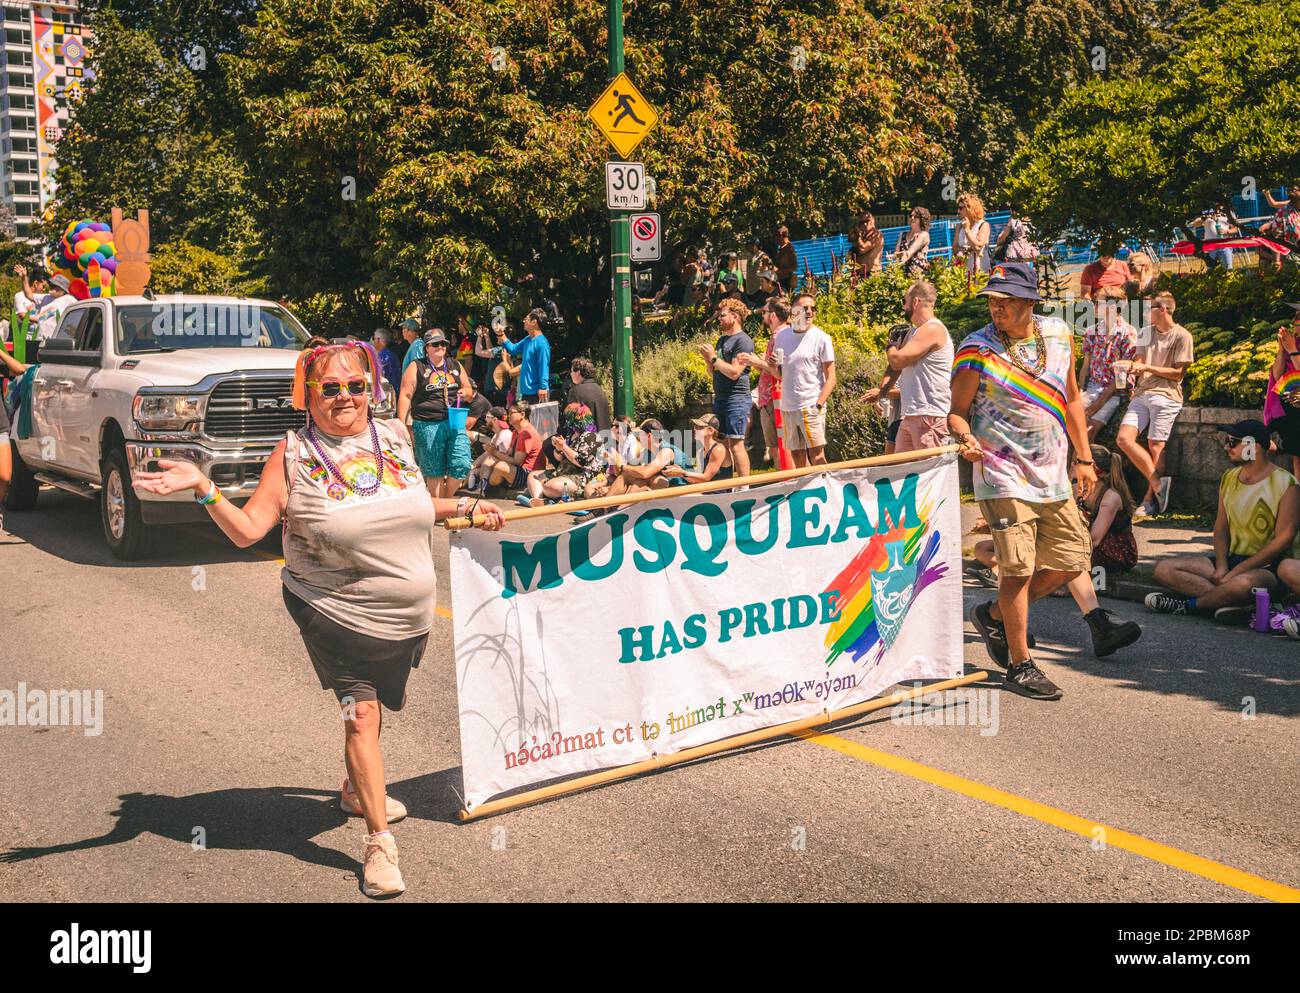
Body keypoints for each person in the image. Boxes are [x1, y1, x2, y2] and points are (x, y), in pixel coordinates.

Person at [132, 339, 504, 899]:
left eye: (356, 386)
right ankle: (379, 843)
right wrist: (203, 487)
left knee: (373, 715)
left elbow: (413, 506)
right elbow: (249, 530)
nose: (345, 398)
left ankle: (357, 791)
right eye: (330, 388)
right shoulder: (294, 454)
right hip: (331, 609)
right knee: (361, 716)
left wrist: (470, 507)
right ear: (307, 395)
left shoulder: (395, 437)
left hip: (407, 616)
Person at [949, 262, 1097, 701]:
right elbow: (956, 410)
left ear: (1030, 302)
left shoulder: (1058, 334)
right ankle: (1020, 664)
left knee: (1073, 559)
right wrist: (965, 437)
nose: (997, 308)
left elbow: (1071, 398)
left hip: (1051, 474)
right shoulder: (976, 348)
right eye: (993, 300)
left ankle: (995, 615)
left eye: (1006, 300)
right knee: (1017, 567)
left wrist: (1084, 457)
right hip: (1002, 474)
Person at [971, 444, 1142, 658]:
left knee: (1070, 555)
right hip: (1015, 482)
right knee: (1011, 559)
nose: (1073, 466)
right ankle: (1011, 628)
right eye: (1075, 462)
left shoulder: (1107, 495)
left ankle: (1000, 617)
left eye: (1078, 462)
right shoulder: (1072, 486)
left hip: (1102, 546)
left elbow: (1095, 538)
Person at [1146, 419, 1299, 624]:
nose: (1227, 447)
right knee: (1163, 570)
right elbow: (1220, 528)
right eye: (1227, 441)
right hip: (1231, 559)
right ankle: (1233, 603)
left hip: (1267, 567)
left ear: (1254, 447)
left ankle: (1189, 606)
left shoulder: (1287, 483)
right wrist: (1221, 566)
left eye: (1233, 442)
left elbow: (1283, 540)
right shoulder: (1229, 477)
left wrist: (1234, 573)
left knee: (1241, 583)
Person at [1116, 290, 1193, 516]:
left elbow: (1179, 374)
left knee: (1155, 446)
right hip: (1142, 393)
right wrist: (1130, 365)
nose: (1145, 313)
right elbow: (1139, 360)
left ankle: (1149, 500)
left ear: (1164, 310)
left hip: (1167, 395)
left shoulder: (1182, 336)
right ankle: (1160, 485)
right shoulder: (1145, 333)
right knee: (1123, 439)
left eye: (1149, 308)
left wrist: (1147, 368)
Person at [741, 292, 836, 468]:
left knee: (817, 456)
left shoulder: (821, 338)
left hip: (811, 405)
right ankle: (803, 493)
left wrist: (819, 405)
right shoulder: (783, 337)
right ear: (793, 311)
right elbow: (780, 375)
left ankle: (825, 490)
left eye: (812, 309)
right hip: (788, 407)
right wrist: (771, 366)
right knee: (796, 456)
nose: (809, 312)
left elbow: (831, 378)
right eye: (804, 308)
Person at [398, 329, 473, 500]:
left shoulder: (454, 365)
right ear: (427, 348)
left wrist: (465, 393)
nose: (440, 347)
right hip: (427, 424)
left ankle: (444, 502)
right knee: (434, 470)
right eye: (435, 344)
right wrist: (401, 423)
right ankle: (439, 509)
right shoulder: (417, 366)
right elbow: (405, 394)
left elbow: (468, 388)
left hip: (454, 421)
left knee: (462, 463)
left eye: (443, 343)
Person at [886, 280, 952, 453]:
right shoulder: (915, 332)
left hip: (929, 415)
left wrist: (890, 345)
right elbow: (896, 367)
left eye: (904, 301)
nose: (903, 307)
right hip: (911, 414)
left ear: (915, 302)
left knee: (929, 476)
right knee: (902, 475)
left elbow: (897, 360)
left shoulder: (932, 329)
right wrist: (881, 392)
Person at [700, 297, 755, 481]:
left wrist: (714, 359)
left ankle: (743, 486)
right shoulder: (722, 340)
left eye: (722, 315)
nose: (719, 319)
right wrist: (709, 360)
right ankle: (726, 484)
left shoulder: (743, 341)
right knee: (721, 442)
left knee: (736, 443)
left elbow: (734, 373)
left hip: (736, 398)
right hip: (721, 397)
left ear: (735, 316)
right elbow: (713, 372)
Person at [1079, 287, 1139, 440]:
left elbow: (1121, 378)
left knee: (1088, 432)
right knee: (1072, 426)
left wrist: (1097, 404)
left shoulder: (1128, 334)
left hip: (1115, 392)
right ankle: (1075, 463)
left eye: (1097, 302)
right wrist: (1080, 392)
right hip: (1093, 387)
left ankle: (1085, 463)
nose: (1093, 306)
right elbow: (1085, 367)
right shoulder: (1092, 331)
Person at [519, 402, 605, 506]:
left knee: (550, 486)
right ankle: (539, 500)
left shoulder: (590, 436)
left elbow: (581, 462)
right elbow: (559, 459)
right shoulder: (572, 435)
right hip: (564, 472)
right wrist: (558, 449)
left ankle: (547, 495)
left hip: (581, 476)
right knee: (533, 476)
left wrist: (564, 447)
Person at [753, 297, 790, 467]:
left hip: (773, 397)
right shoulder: (787, 333)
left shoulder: (778, 335)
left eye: (765, 312)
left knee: (776, 447)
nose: (763, 316)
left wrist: (756, 362)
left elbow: (778, 371)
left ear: (773, 316)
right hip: (775, 395)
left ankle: (784, 484)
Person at [1264, 304, 1300, 478]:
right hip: (1294, 411)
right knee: (1297, 457)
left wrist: (1292, 350)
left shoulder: (1294, 345)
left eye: (1299, 317)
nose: (1295, 321)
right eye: (1295, 317)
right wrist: (1282, 348)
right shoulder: (1294, 342)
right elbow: (1277, 376)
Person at [486, 401, 543, 490]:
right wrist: (494, 453)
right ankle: (484, 483)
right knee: (489, 461)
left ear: (522, 415)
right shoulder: (516, 432)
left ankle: (488, 486)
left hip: (531, 474)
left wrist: (494, 452)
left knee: (500, 466)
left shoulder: (526, 433)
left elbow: (517, 462)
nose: (508, 416)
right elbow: (509, 454)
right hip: (520, 470)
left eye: (511, 413)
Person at [662, 414, 734, 484]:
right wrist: (680, 473)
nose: (694, 429)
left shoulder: (718, 449)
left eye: (699, 427)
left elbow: (706, 477)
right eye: (695, 426)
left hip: (721, 494)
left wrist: (683, 472)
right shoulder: (700, 451)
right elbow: (696, 480)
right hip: (707, 492)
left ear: (711, 431)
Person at [500, 308, 551, 403]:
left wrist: (543, 387)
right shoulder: (528, 339)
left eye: (526, 319)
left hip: (537, 392)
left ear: (534, 322)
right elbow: (513, 349)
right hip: (525, 392)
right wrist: (501, 334)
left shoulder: (542, 343)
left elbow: (544, 366)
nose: (523, 321)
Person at [465, 406, 512, 495]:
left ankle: (483, 487)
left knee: (489, 460)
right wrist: (472, 466)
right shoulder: (497, 435)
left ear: (494, 420)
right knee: (472, 471)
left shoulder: (505, 435)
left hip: (501, 471)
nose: (485, 419)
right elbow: (487, 453)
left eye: (487, 417)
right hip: (493, 468)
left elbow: (505, 458)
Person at [22, 270, 74, 342]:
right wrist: (24, 278)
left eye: (54, 285)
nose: (50, 287)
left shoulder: (70, 300)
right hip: (39, 340)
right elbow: (29, 295)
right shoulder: (47, 297)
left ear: (62, 289)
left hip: (55, 342)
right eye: (51, 284)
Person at [565, 356, 611, 433]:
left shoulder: (575, 392)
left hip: (586, 440)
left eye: (572, 371)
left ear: (578, 373)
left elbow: (571, 420)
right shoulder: (598, 388)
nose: (571, 374)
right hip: (605, 439)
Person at [1187, 205, 1238, 270]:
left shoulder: (1229, 212)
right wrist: (1204, 218)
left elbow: (1235, 229)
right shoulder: (1206, 212)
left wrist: (1226, 232)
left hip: (1225, 245)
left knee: (1228, 269)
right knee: (1211, 270)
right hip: (1210, 246)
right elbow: (1195, 224)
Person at [954, 193, 991, 276]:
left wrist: (967, 230)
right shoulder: (959, 226)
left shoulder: (983, 225)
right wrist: (966, 251)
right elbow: (954, 248)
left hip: (980, 272)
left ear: (970, 208)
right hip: (963, 273)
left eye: (960, 208)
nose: (958, 211)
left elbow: (977, 247)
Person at [892, 207, 931, 277]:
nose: (912, 218)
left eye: (915, 216)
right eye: (910, 216)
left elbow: (911, 251)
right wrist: (901, 255)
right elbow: (895, 255)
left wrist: (904, 254)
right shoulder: (902, 235)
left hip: (918, 275)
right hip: (901, 275)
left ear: (922, 219)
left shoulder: (924, 235)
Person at [849, 212, 884, 277]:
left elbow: (863, 249)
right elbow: (850, 239)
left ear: (873, 220)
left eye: (867, 221)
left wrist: (859, 236)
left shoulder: (877, 234)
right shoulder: (863, 234)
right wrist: (855, 228)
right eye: (862, 222)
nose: (865, 224)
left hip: (872, 273)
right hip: (860, 273)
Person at [743, 237, 775, 304]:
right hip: (750, 290)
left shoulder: (762, 256)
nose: (748, 247)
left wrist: (768, 283)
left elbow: (771, 268)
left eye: (750, 245)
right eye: (747, 245)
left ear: (756, 246)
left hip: (759, 290)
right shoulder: (751, 256)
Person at [774, 226, 798, 294]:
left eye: (776, 236)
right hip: (780, 280)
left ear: (781, 235)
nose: (775, 239)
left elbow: (794, 267)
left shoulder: (789, 248)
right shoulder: (781, 248)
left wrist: (779, 271)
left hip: (787, 281)